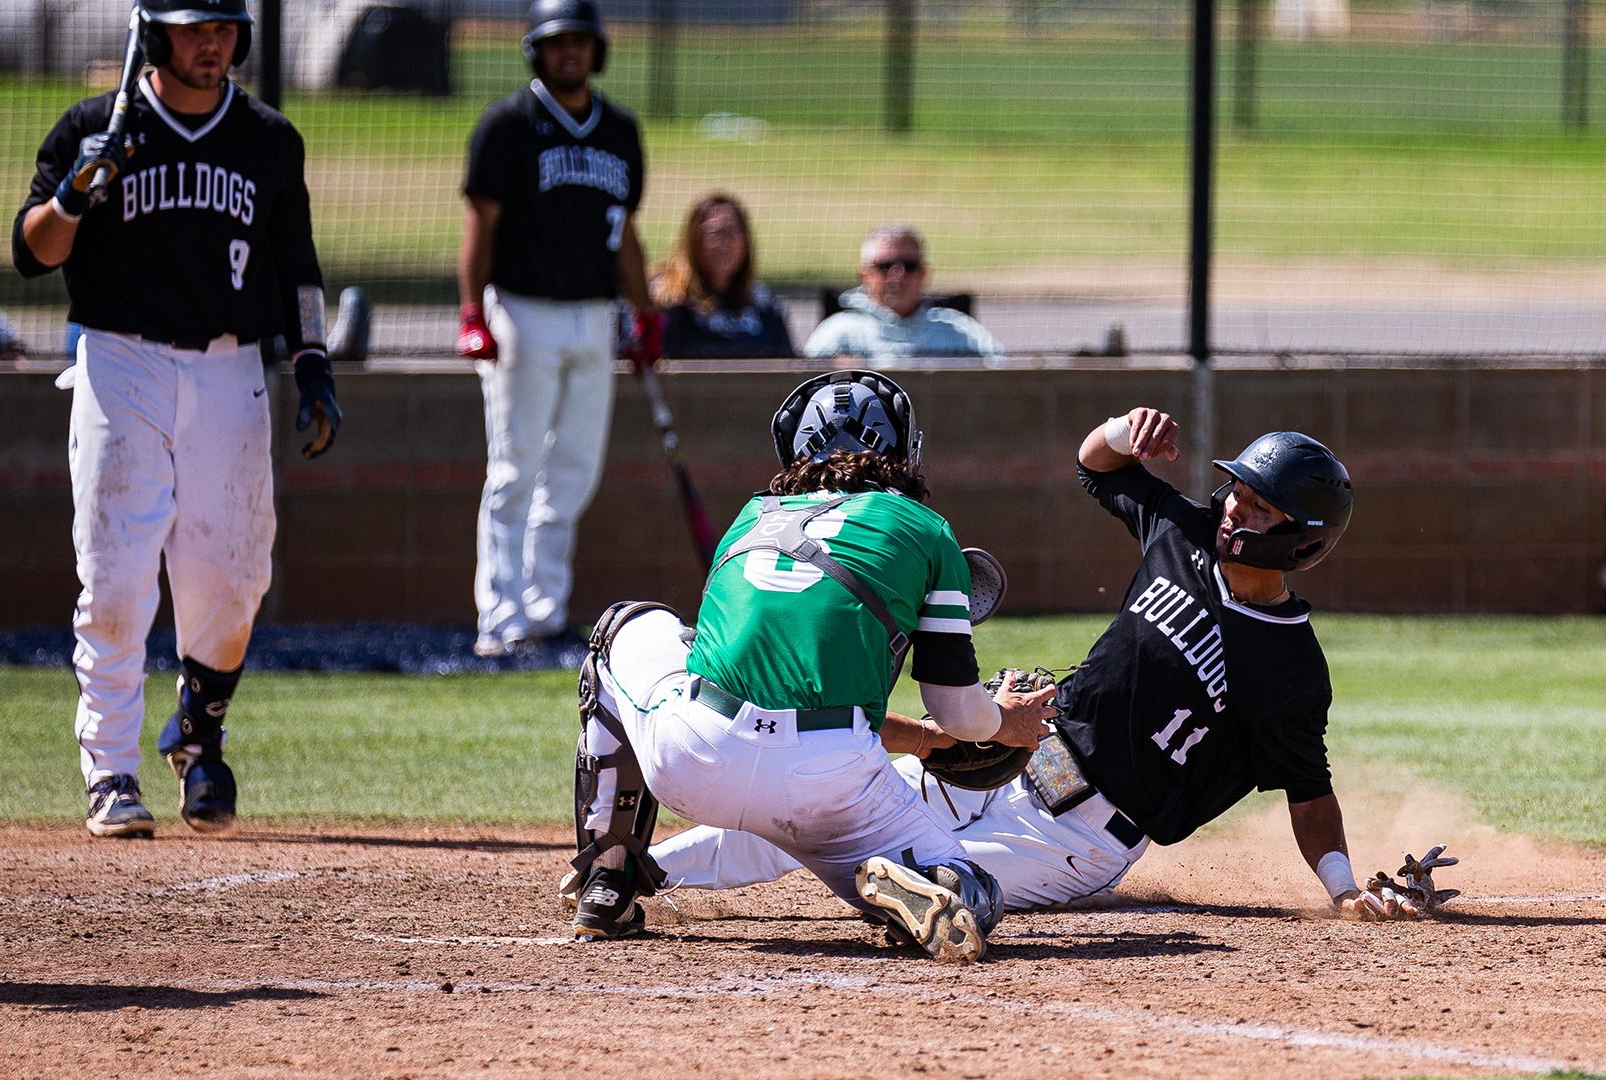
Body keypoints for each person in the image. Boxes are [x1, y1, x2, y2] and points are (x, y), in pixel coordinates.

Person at [649, 409, 1427, 921]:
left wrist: (1343, 890)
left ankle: (916, 884)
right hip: (1019, 754)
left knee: (939, 885)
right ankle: (636, 871)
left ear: (1302, 537)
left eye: (1259, 506)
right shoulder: (1184, 534)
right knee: (818, 807)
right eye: (1236, 490)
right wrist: (1125, 429)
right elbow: (1098, 466)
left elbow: (1308, 792)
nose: (1233, 508)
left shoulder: (1291, 667)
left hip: (1081, 839)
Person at [566, 369, 1057, 960]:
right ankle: (921, 883)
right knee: (975, 890)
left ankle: (608, 879)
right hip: (829, 780)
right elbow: (956, 711)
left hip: (696, 757)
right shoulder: (927, 528)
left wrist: (927, 738)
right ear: (904, 450)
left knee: (622, 623)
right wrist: (1005, 721)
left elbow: (770, 693)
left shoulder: (751, 515)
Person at [12, 0, 340, 838]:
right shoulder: (95, 126)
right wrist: (78, 191)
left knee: (233, 575)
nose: (212, 43)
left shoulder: (268, 140)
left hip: (230, 367)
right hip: (121, 361)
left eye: (225, 29)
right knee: (117, 574)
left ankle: (197, 737)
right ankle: (110, 768)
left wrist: (312, 361)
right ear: (155, 35)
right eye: (196, 29)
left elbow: (297, 264)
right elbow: (32, 251)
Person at [456, 0, 658, 658]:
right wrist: (471, 312)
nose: (569, 52)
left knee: (573, 470)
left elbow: (624, 231)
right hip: (523, 310)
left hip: (595, 315)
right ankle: (500, 617)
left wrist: (645, 312)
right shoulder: (507, 123)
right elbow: (480, 224)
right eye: (556, 41)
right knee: (514, 468)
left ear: (597, 50)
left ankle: (544, 609)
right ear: (535, 50)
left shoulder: (620, 129)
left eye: (579, 41)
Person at [802, 224, 1001, 362]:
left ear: (923, 274)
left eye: (909, 266)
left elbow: (1007, 375)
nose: (898, 275)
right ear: (865, 275)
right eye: (885, 266)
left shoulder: (960, 331)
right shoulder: (839, 333)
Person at [649, 192, 794, 359]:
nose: (724, 243)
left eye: (733, 231)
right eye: (713, 233)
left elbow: (789, 366)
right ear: (693, 240)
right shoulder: (669, 303)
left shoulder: (764, 307)